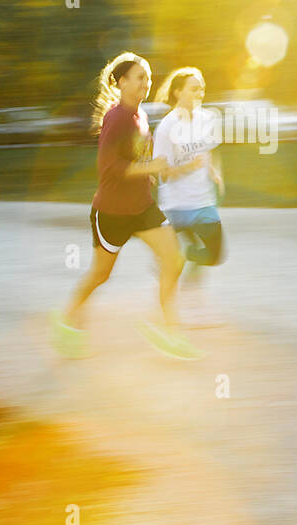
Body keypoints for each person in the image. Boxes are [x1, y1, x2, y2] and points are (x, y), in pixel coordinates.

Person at [51, 52, 205, 359]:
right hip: (111, 213)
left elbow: (138, 161)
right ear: (122, 82)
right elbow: (110, 167)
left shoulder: (140, 116)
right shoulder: (117, 116)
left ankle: (169, 330)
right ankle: (67, 318)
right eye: (139, 77)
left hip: (142, 208)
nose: (146, 83)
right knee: (100, 275)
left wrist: (159, 168)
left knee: (174, 259)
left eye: (148, 78)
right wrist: (150, 167)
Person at [152, 67, 225, 287]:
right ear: (177, 92)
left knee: (215, 256)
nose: (199, 93)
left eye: (201, 89)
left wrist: (214, 171)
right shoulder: (167, 127)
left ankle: (187, 256)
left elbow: (210, 150)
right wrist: (188, 167)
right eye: (194, 89)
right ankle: (168, 310)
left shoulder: (207, 118)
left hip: (203, 202)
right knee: (167, 267)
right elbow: (163, 173)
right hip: (175, 206)